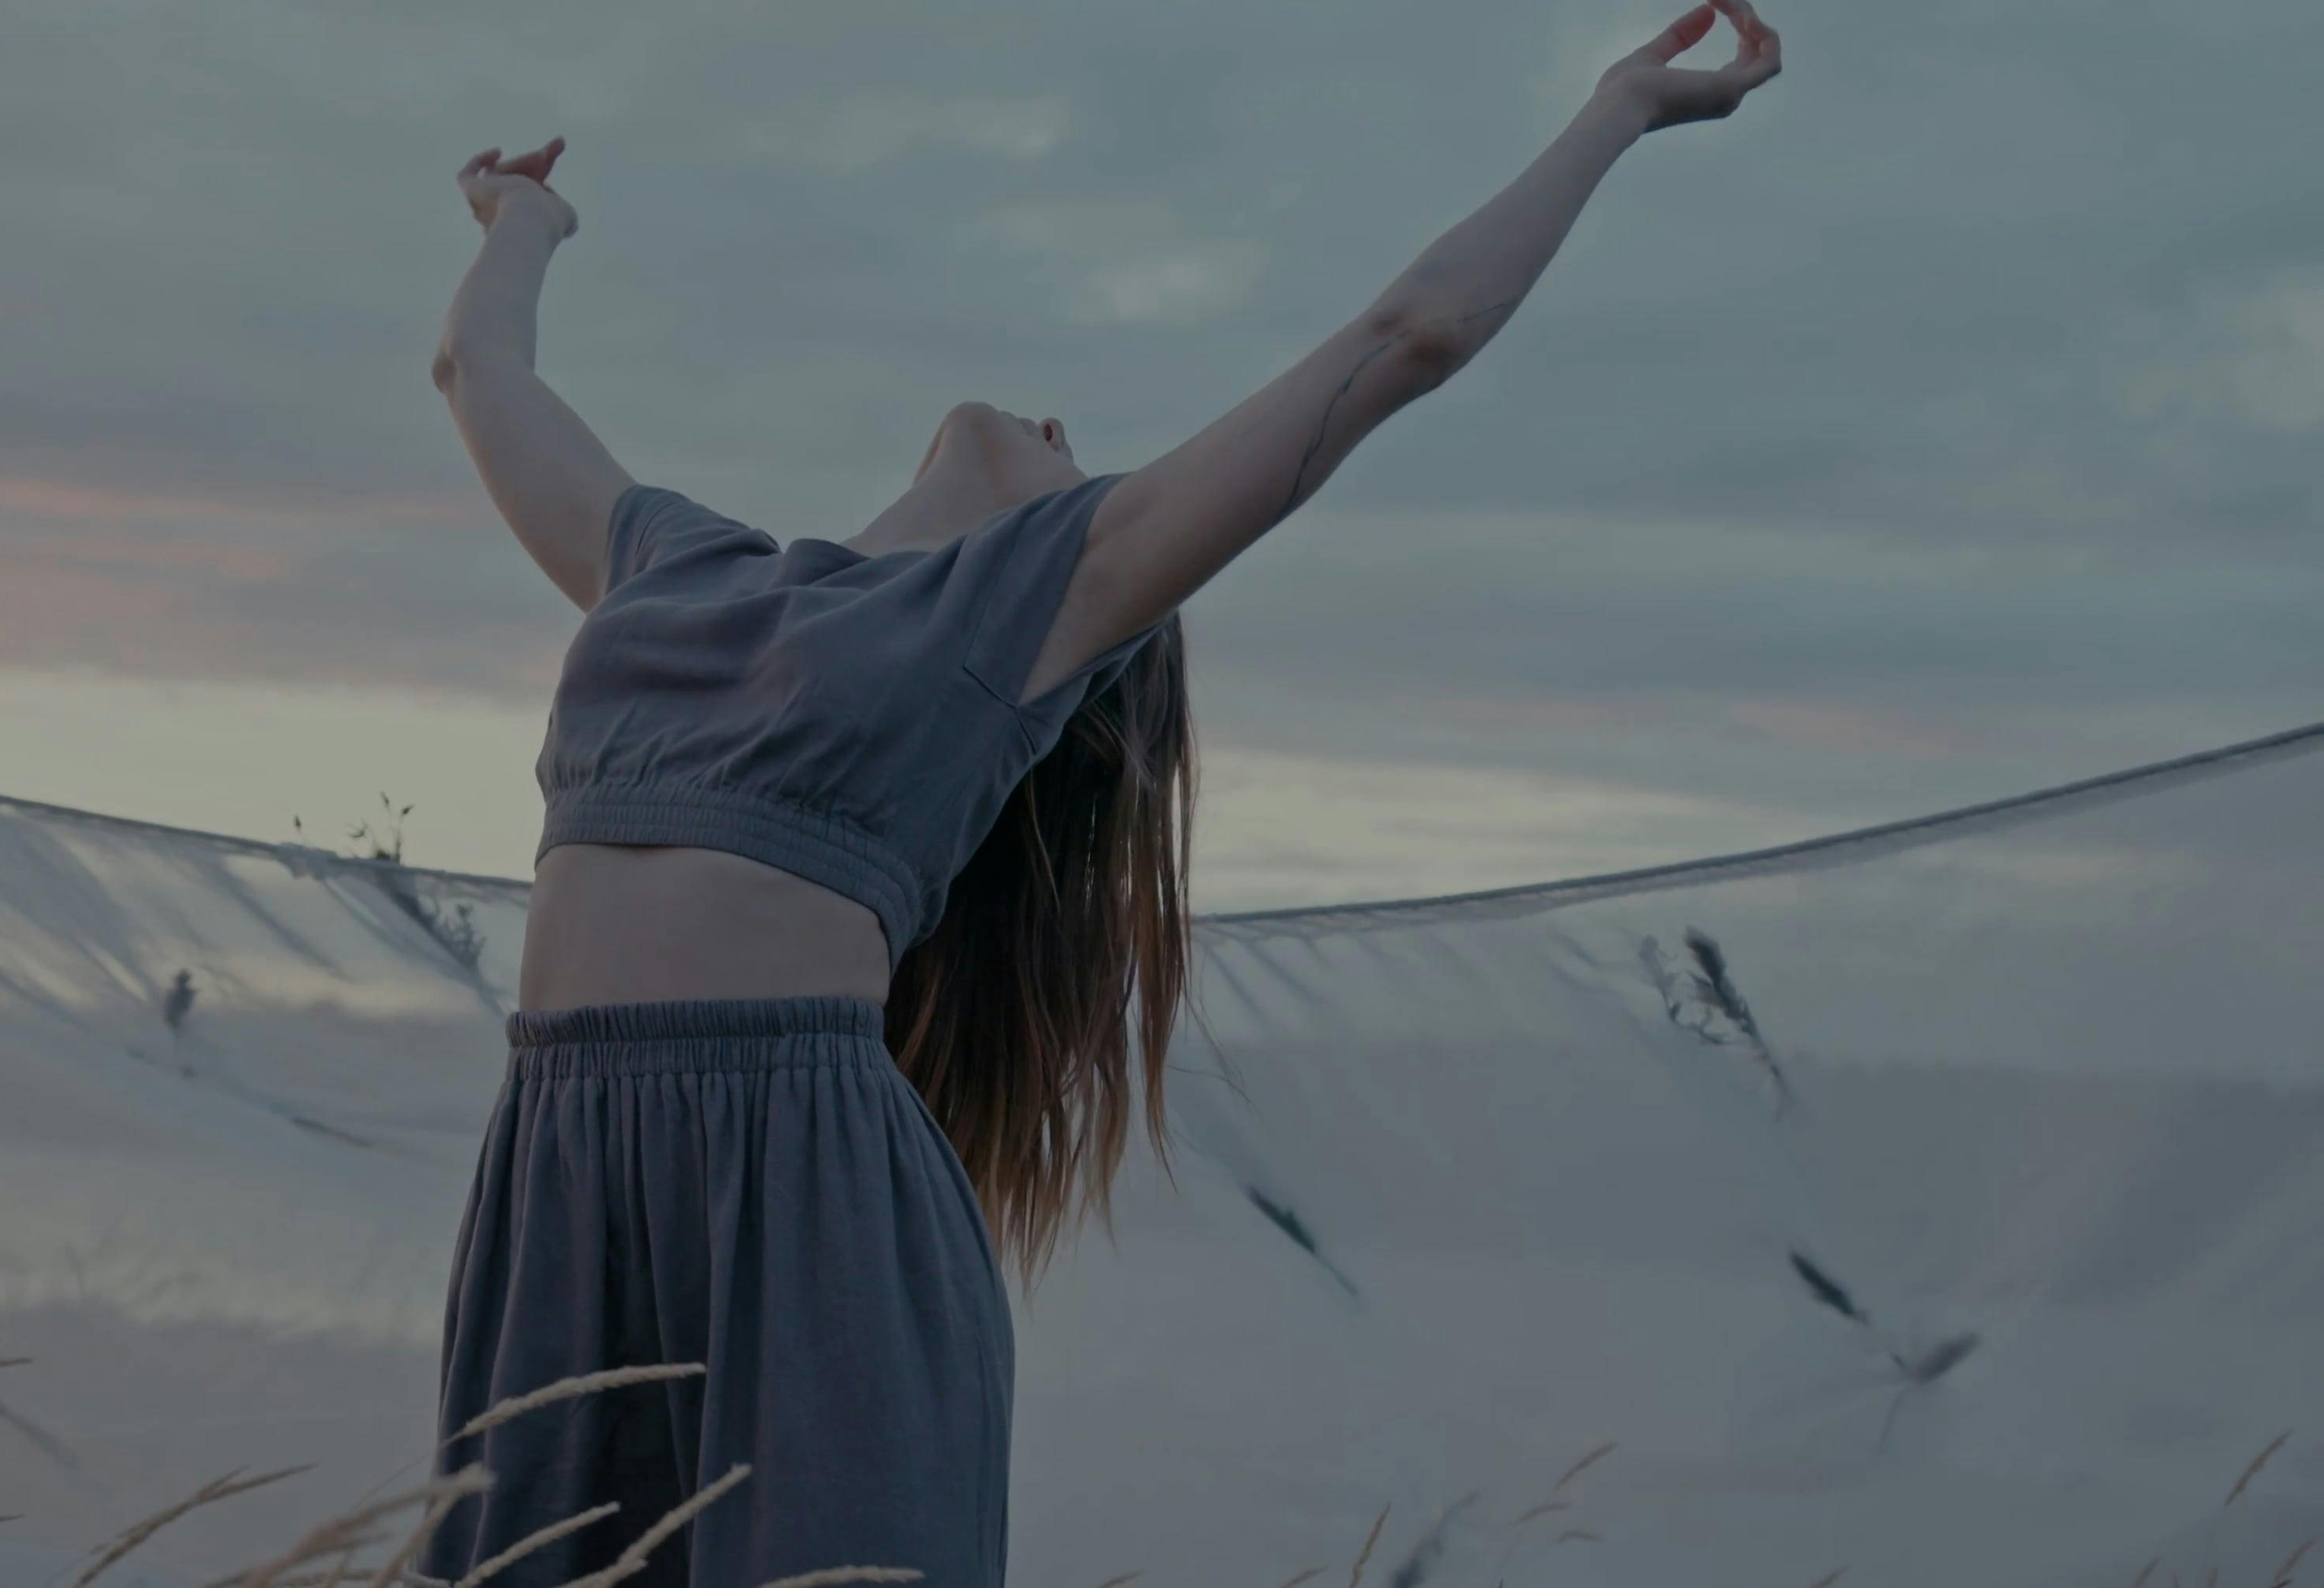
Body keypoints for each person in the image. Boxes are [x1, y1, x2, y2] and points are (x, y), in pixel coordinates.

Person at [419, 3, 1780, 1580]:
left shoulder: (1029, 607)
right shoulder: (671, 562)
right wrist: (525, 220)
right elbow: (477, 364)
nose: (1061, 424)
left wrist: (1617, 110)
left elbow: (1412, 337)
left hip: (803, 1182)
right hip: (560, 1163)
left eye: (1091, 457)